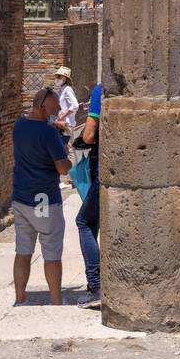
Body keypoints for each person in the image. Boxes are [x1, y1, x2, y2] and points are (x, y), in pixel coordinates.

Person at [11, 87, 72, 305]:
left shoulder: (18, 125)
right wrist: (70, 160)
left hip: (20, 197)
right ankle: (56, 301)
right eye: (55, 107)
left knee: (23, 251)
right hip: (44, 199)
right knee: (52, 252)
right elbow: (62, 168)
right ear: (43, 106)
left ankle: (20, 298)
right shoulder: (49, 133)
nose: (58, 111)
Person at [74, 82, 102, 306]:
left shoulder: (100, 90)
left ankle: (96, 286)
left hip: (104, 168)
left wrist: (82, 138)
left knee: (84, 222)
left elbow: (90, 135)